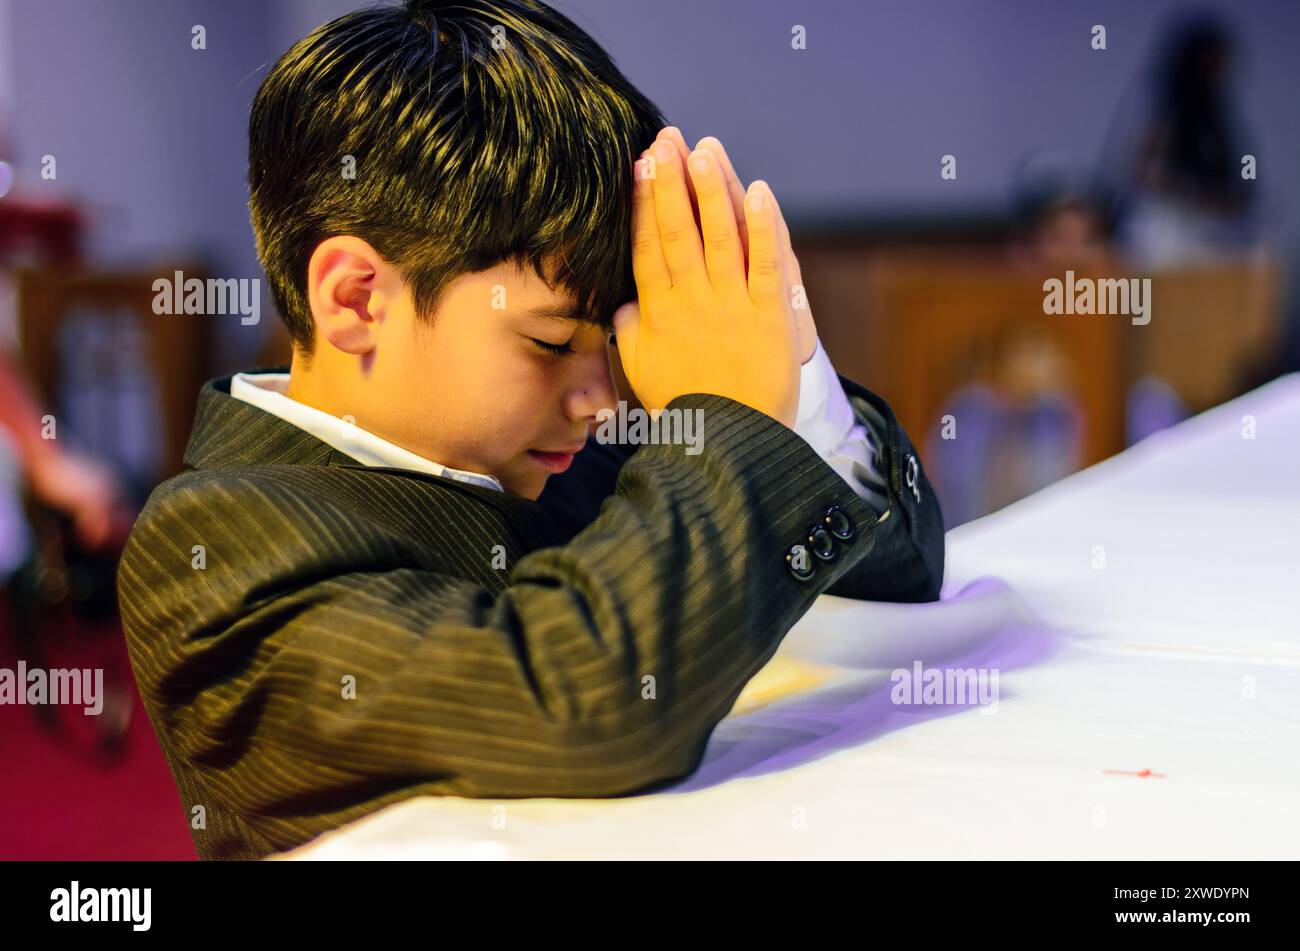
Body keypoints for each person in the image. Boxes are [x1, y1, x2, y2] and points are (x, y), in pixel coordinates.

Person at [117, 0, 944, 860]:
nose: (601, 398)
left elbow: (900, 578)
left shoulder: (552, 443)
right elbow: (580, 702)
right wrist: (728, 417)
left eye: (613, 347)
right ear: (357, 298)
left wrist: (795, 384)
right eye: (551, 341)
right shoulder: (209, 547)